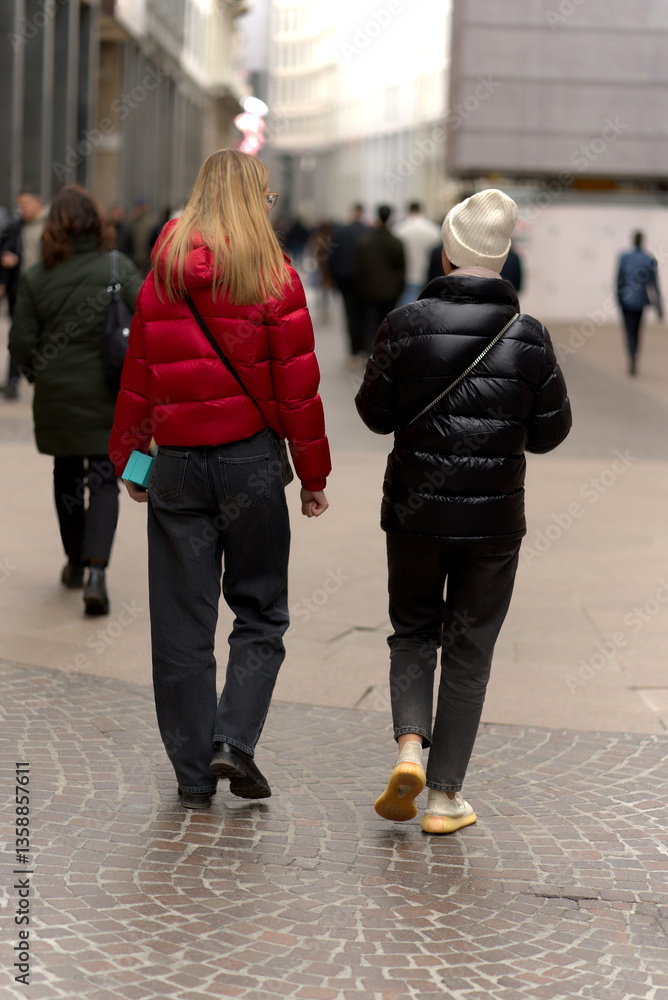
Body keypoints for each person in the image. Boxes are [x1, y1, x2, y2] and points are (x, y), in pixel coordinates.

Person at [109, 149, 331, 811]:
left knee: (179, 621)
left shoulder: (163, 278)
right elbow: (298, 395)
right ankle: (233, 739)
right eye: (262, 193)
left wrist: (133, 466)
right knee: (260, 609)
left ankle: (192, 774)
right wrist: (313, 476)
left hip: (176, 464)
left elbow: (138, 387)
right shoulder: (275, 279)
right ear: (252, 200)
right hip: (252, 461)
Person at [355, 189, 571, 835]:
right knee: (470, 647)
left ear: (448, 251)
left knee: (414, 630)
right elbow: (550, 432)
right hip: (494, 523)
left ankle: (408, 749)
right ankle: (446, 799)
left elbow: (373, 414)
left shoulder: (404, 323)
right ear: (503, 262)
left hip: (415, 513)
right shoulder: (528, 336)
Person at [9, 184, 142, 613]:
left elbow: (21, 342)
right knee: (104, 479)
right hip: (110, 392)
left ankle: (73, 562)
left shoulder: (35, 277)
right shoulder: (116, 267)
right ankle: (98, 571)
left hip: (57, 397)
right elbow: (148, 314)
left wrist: (39, 373)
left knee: (65, 476)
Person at [0, 191, 49, 398]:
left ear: (38, 203)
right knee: (19, 333)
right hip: (20, 290)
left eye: (26, 204)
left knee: (48, 335)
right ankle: (12, 381)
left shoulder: (53, 226)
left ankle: (45, 379)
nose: (22, 209)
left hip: (46, 291)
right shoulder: (14, 228)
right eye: (19, 205)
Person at [354, 205, 405, 354]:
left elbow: (359, 270)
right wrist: (397, 290)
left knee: (370, 325)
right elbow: (401, 270)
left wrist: (360, 290)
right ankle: (385, 353)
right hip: (390, 293)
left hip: (369, 293)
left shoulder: (364, 242)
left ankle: (371, 355)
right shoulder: (396, 243)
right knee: (388, 325)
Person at [616, 231, 662, 375]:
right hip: (640, 302)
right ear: (642, 241)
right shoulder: (648, 259)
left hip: (626, 301)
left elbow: (619, 280)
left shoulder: (624, 257)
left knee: (629, 331)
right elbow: (654, 285)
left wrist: (619, 298)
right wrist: (659, 306)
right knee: (636, 331)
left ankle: (631, 357)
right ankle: (634, 356)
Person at [329, 204, 369, 357]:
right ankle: (365, 348)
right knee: (364, 314)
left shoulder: (342, 232)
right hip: (364, 281)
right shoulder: (368, 231)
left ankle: (354, 349)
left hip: (345, 278)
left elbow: (332, 256)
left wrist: (334, 277)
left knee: (350, 314)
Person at [393, 202, 441, 306]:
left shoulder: (399, 229)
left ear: (409, 211)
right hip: (427, 276)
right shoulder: (434, 230)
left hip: (406, 275)